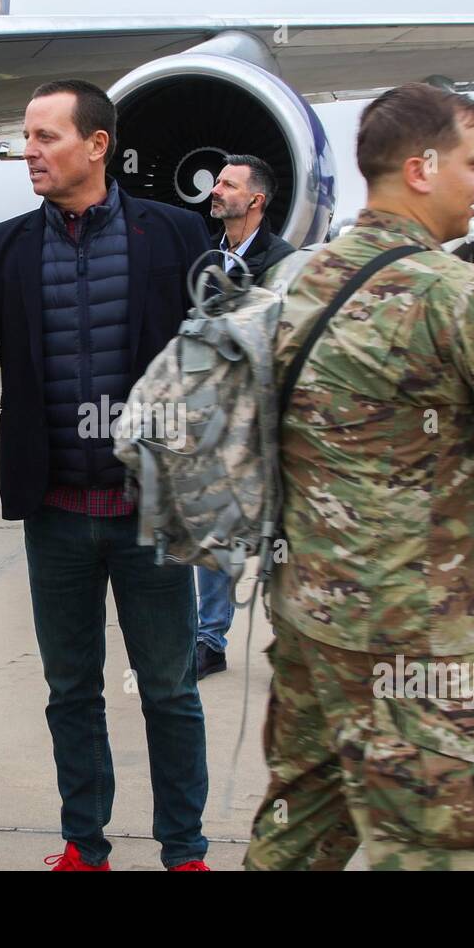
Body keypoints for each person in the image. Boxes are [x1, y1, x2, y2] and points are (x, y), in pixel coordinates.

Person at [245, 83, 474, 870]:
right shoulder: (461, 298)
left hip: (305, 616)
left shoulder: (297, 280)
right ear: (423, 170)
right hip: (407, 640)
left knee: (299, 829)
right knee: (453, 846)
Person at [0, 80, 213, 870]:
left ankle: (186, 851)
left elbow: (226, 349)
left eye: (45, 136)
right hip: (58, 515)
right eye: (26, 136)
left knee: (170, 689)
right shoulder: (1, 247)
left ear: (97, 144)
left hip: (152, 512)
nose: (28, 151)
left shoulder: (174, 235)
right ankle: (85, 845)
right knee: (71, 691)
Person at [193, 154, 298, 679]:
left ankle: (292, 637)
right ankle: (209, 638)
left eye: (227, 185)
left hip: (267, 420)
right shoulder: (208, 256)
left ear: (255, 200)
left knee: (281, 535)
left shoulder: (283, 263)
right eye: (216, 182)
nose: (215, 190)